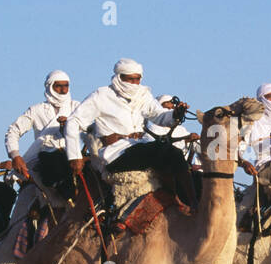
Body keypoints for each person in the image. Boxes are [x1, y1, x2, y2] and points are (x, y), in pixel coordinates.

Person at [64, 59, 192, 205]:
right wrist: (74, 156)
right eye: (130, 79)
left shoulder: (142, 95)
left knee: (178, 158)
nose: (134, 83)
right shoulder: (101, 96)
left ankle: (190, 206)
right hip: (116, 153)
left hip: (140, 146)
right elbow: (73, 121)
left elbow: (160, 116)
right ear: (120, 77)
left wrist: (176, 114)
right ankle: (188, 203)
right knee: (165, 151)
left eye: (137, 79)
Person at [4, 69, 76, 190]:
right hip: (43, 159)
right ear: (50, 86)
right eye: (59, 86)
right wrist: (15, 155)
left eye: (66, 86)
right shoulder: (37, 110)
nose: (63, 90)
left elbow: (91, 129)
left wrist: (70, 126)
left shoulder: (76, 107)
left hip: (71, 158)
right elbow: (13, 131)